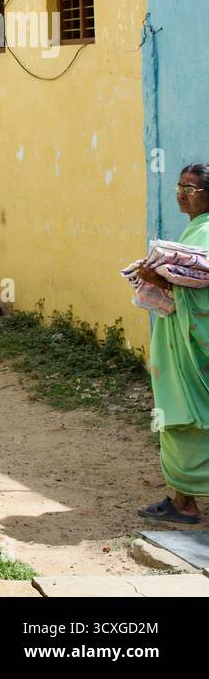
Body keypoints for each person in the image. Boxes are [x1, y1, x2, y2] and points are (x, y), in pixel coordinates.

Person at [135, 163, 209, 523]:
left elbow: (199, 291)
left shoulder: (204, 233)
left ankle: (184, 502)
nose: (182, 193)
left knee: (182, 415)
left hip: (192, 348)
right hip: (191, 341)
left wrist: (157, 277)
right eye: (180, 186)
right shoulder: (197, 230)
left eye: (191, 189)